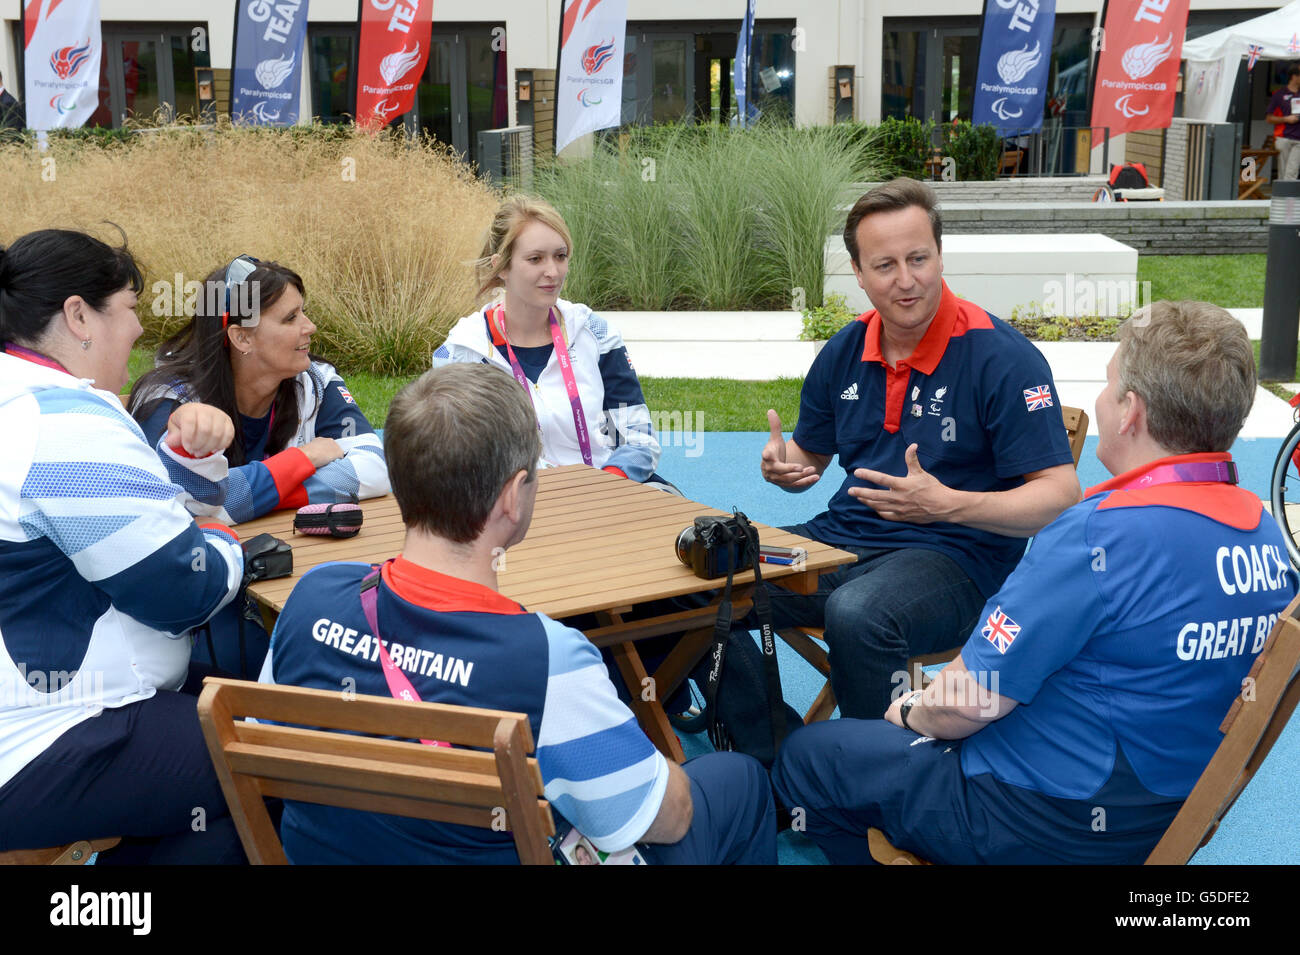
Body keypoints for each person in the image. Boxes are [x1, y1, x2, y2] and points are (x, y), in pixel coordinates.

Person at [773, 300, 1296, 865]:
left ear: (1130, 412)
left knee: (810, 756)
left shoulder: (1101, 535)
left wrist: (907, 711)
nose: (1101, 398)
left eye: (1108, 382)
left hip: (1045, 814)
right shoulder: (1266, 536)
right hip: (1166, 813)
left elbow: (966, 702)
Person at [259, 363, 775, 864]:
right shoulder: (547, 660)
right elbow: (666, 818)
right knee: (738, 781)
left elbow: (268, 747)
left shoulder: (311, 597)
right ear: (512, 495)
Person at [742, 177, 1080, 726]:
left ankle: (877, 780)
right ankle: (769, 748)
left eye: (918, 258)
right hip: (844, 541)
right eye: (885, 265)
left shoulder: (1002, 357)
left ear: (940, 255)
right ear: (857, 272)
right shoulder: (845, 349)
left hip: (960, 557)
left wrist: (948, 504)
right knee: (716, 577)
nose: (906, 281)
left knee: (856, 614)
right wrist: (786, 467)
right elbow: (811, 457)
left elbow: (1061, 496)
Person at [0, 229, 247, 864]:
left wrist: (182, 469)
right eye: (131, 306)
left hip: (33, 711)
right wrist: (222, 538)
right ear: (80, 315)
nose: (139, 329)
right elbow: (182, 593)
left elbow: (114, 525)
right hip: (43, 733)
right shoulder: (59, 419)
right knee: (259, 773)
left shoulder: (18, 405)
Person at [131, 255, 389, 675]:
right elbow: (183, 510)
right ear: (242, 337)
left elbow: (376, 467)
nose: (310, 327)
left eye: (303, 312)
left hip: (294, 578)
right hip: (196, 615)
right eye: (290, 318)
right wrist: (302, 459)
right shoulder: (172, 399)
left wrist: (245, 496)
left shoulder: (316, 382)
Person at [433, 196, 669, 487]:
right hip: (515, 505)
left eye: (560, 256)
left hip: (608, 493)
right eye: (535, 259)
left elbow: (637, 439)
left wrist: (606, 486)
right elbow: (459, 457)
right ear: (501, 267)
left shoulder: (595, 333)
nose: (553, 272)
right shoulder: (462, 351)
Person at [1266, 64, 1300, 180]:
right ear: (1294, 77)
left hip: (1298, 139)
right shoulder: (1279, 95)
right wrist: (1286, 119)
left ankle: (1288, 197)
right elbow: (1269, 118)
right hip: (1283, 137)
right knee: (1283, 171)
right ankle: (1282, 197)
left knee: (1292, 172)